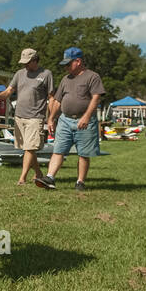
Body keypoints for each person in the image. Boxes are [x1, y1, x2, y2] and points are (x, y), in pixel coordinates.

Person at [37, 47, 106, 191]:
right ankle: (50, 178)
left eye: (68, 64)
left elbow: (96, 98)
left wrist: (86, 116)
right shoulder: (65, 79)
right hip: (65, 120)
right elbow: (57, 101)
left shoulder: (92, 77)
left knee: (83, 153)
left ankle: (80, 182)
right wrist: (51, 118)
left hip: (85, 121)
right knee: (58, 149)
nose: (66, 67)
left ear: (78, 61)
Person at [0, 47, 53, 186]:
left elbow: (51, 97)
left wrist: (51, 117)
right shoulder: (19, 74)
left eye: (27, 62)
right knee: (27, 148)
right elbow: (8, 92)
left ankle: (22, 178)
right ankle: (38, 173)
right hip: (19, 116)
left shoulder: (46, 74)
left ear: (35, 60)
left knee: (30, 148)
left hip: (36, 116)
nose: (25, 65)